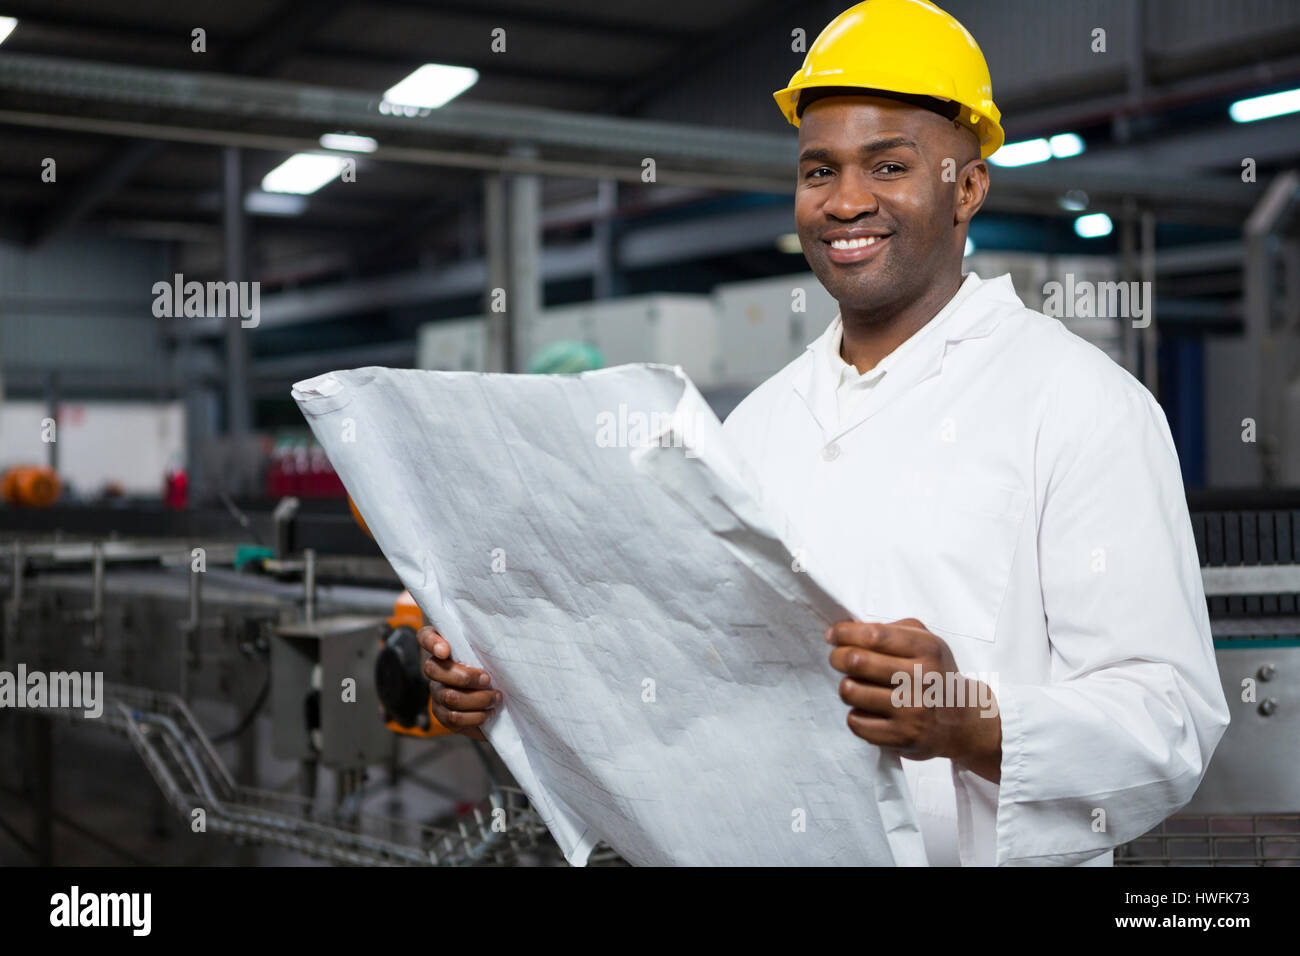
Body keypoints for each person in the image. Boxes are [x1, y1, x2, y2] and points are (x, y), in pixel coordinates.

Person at [417, 0, 1230, 865]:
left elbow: (1169, 721)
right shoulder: (758, 424)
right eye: (819, 171)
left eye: (889, 166)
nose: (846, 202)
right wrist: (512, 690)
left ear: (969, 187)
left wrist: (973, 721)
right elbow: (694, 681)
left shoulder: (1078, 403)